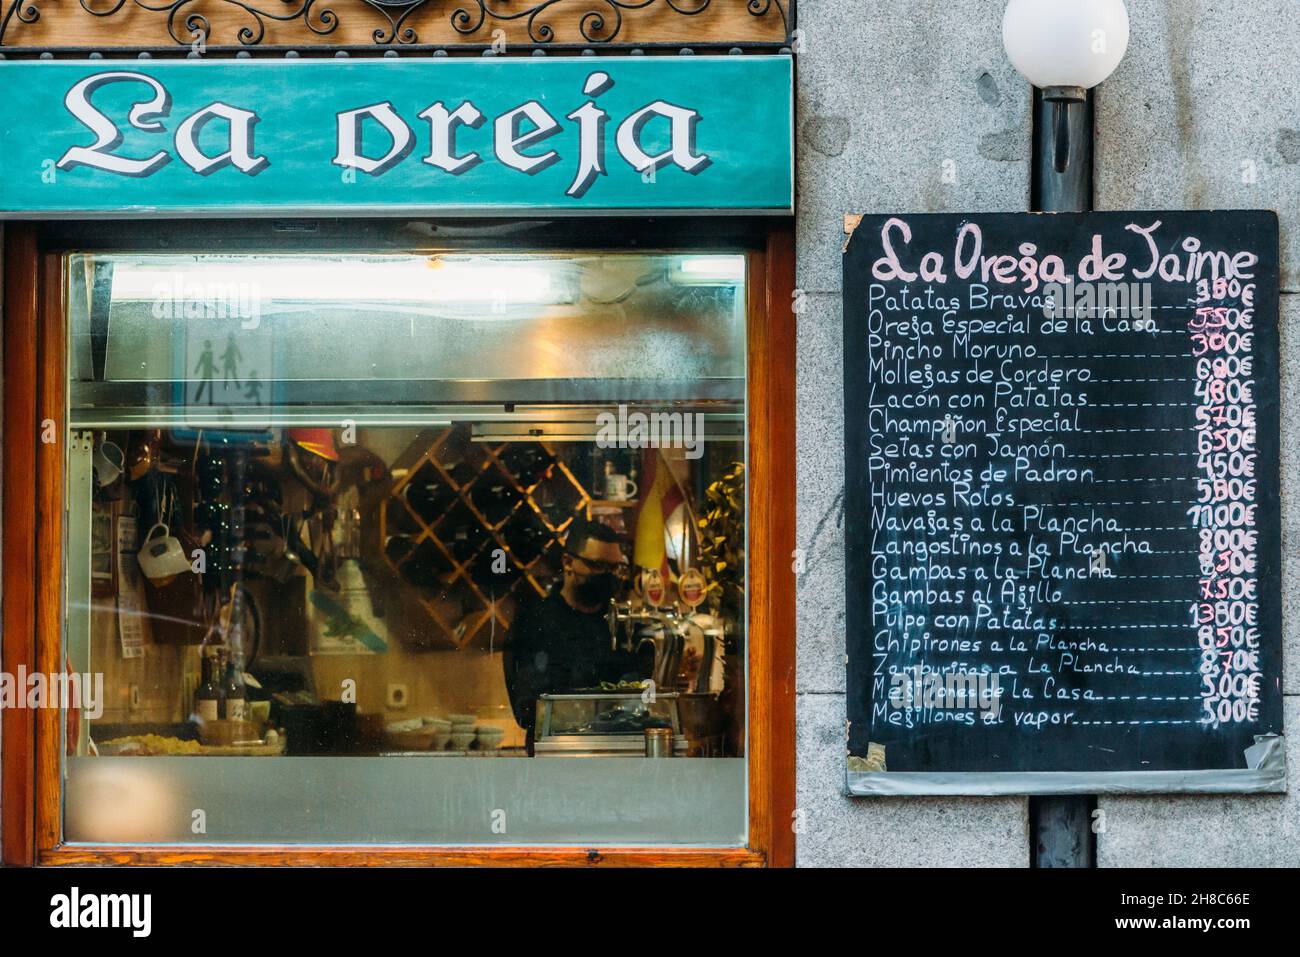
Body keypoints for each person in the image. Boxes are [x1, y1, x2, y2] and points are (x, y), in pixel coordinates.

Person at [503, 519, 644, 751]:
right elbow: (527, 710)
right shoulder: (533, 622)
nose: (608, 576)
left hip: (617, 755)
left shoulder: (623, 626)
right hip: (554, 756)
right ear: (568, 562)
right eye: (597, 566)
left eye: (615, 568)